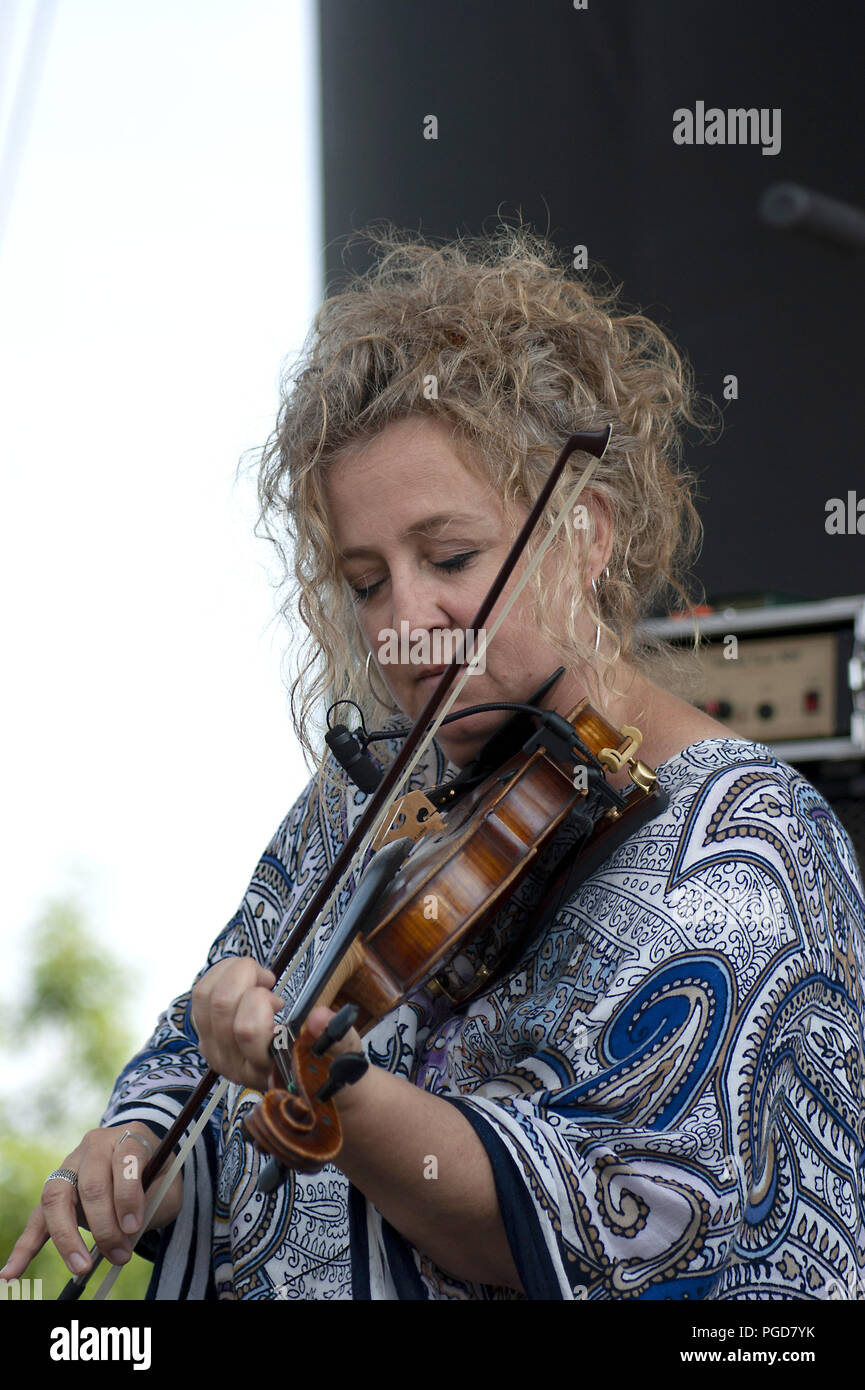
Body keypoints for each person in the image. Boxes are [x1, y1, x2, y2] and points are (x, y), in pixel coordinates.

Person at [4, 225, 864, 1300]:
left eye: (450, 557)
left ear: (584, 536)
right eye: (366, 581)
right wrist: (141, 1156)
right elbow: (205, 1056)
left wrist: (338, 1098)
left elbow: (621, 1234)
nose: (405, 623)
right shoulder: (362, 803)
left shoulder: (746, 846)